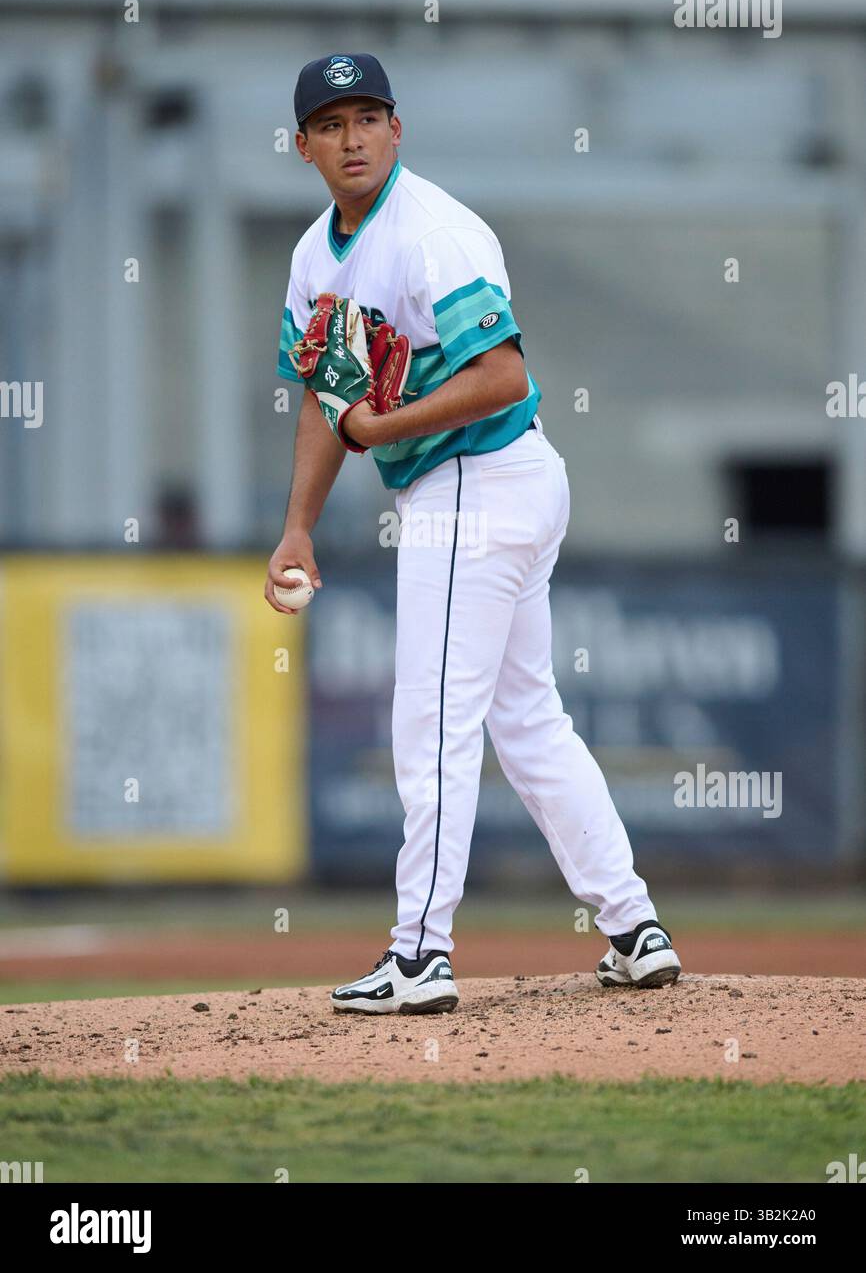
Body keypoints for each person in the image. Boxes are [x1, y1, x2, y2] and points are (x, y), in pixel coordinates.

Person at [266, 53, 682, 1015]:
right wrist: (296, 528)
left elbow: (500, 375)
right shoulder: (311, 257)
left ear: (397, 130)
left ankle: (420, 955)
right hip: (490, 487)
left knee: (431, 723)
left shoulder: (435, 234)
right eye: (332, 124)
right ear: (304, 147)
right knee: (529, 724)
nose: (354, 136)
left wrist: (381, 427)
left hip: (479, 483)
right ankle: (633, 927)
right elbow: (324, 400)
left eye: (369, 115)